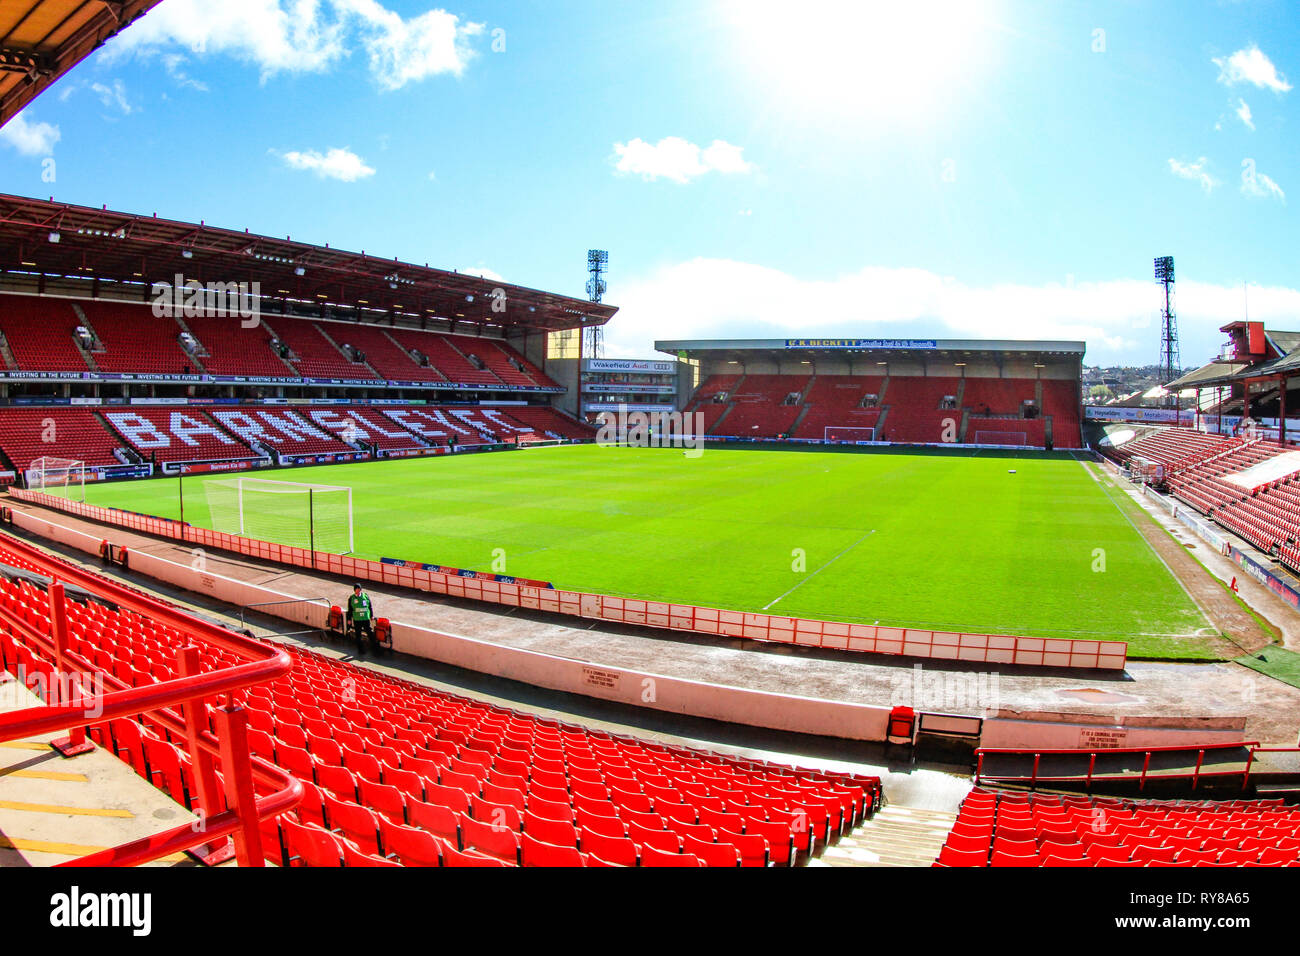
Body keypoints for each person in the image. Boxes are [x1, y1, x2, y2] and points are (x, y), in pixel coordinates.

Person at [347, 583, 379, 655]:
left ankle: (375, 648)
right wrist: (349, 619)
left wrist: (371, 615)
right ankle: (361, 650)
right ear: (354, 590)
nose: (358, 591)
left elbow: (370, 606)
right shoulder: (351, 598)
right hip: (357, 619)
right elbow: (350, 609)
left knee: (370, 633)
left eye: (359, 589)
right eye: (356, 590)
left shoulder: (365, 596)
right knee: (358, 635)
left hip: (365, 618)